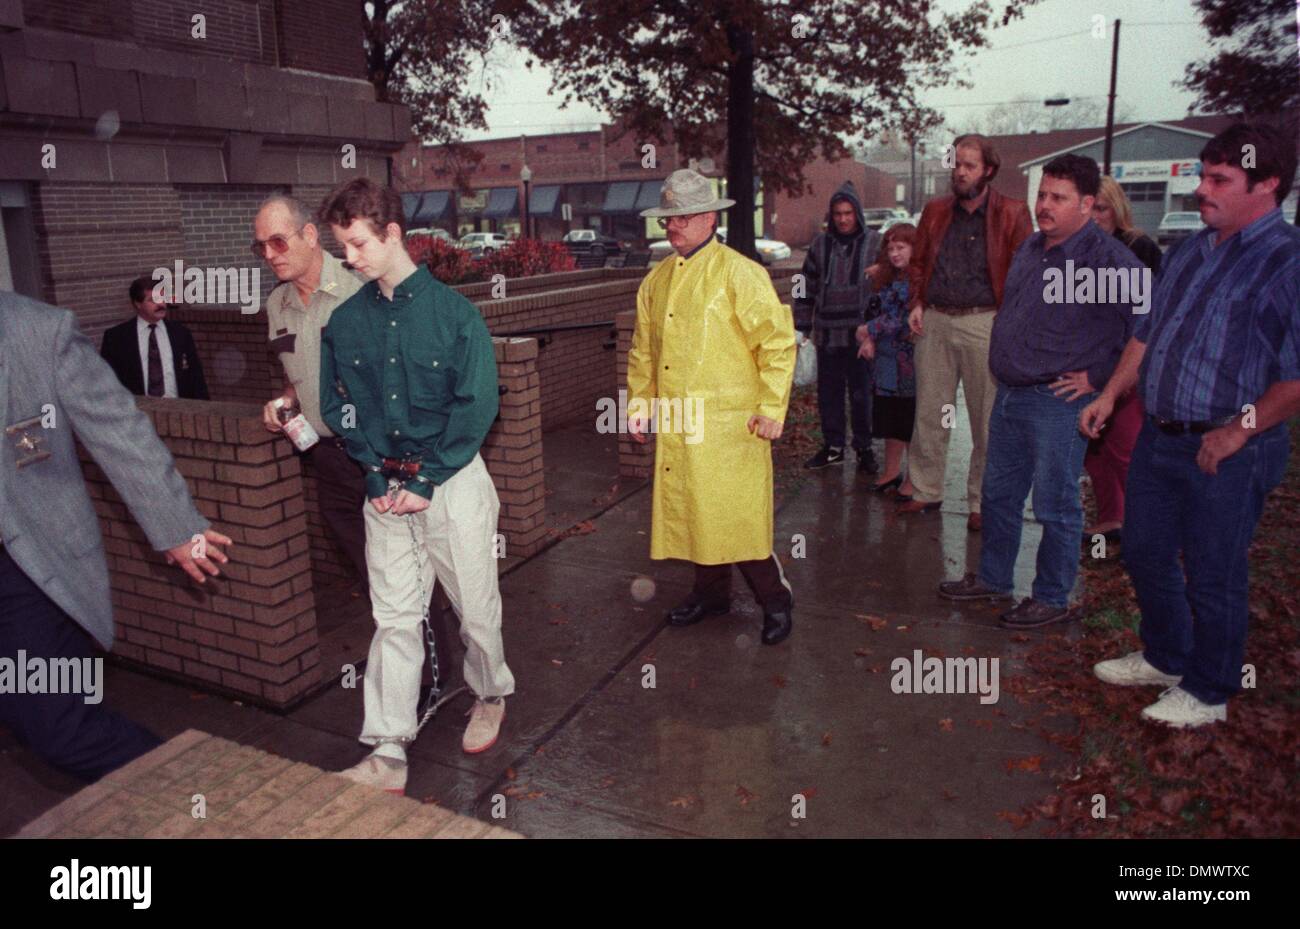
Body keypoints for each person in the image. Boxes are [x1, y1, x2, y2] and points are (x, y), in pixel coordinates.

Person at [1085, 122, 1300, 728]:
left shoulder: (1286, 261)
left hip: (1229, 448)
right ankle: (1167, 656)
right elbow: (1148, 334)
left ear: (1269, 185)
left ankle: (1209, 692)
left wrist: (1239, 431)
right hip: (1160, 435)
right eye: (1203, 176)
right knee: (1146, 552)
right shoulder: (1190, 250)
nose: (1202, 189)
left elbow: (1295, 378)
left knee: (1214, 570)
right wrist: (1111, 395)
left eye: (1219, 180)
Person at [319, 178, 514, 794]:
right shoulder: (345, 323)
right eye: (341, 247)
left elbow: (477, 403)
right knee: (395, 618)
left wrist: (428, 476)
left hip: (452, 483)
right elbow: (338, 405)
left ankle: (489, 692)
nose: (348, 259)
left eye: (356, 245)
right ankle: (387, 745)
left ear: (392, 233)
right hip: (385, 490)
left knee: (475, 611)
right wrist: (373, 472)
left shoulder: (455, 315)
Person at [1, 291, 230, 781]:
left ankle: (197, 800)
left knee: (59, 725)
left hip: (27, 572)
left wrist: (175, 525)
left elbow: (118, 430)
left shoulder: (39, 331)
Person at [937, 154, 1141, 627]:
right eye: (1042, 195)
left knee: (1055, 502)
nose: (1044, 205)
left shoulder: (1107, 260)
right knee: (998, 496)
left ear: (1088, 205)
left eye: (1058, 198)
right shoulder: (1032, 247)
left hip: (1057, 402)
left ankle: (1051, 597)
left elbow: (1148, 330)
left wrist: (1100, 379)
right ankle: (993, 580)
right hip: (1008, 394)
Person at [628, 169, 797, 645]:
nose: (672, 227)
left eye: (681, 218)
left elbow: (777, 345)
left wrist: (770, 407)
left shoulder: (741, 273)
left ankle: (775, 599)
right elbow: (644, 351)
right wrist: (639, 405)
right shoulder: (656, 280)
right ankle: (712, 594)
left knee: (736, 520)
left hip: (732, 427)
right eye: (667, 219)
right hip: (682, 423)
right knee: (694, 513)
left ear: (708, 217)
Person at [899, 134, 1034, 532]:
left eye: (969, 165)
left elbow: (1025, 274)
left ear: (988, 170)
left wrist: (1010, 325)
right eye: (956, 163)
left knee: (987, 418)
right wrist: (917, 303)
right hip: (936, 320)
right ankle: (926, 490)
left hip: (985, 321)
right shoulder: (936, 210)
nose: (959, 171)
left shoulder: (1012, 213)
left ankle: (981, 500)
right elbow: (918, 262)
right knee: (931, 413)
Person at [253, 194, 368, 586]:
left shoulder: (360, 288)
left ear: (309, 235)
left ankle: (438, 643)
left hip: (374, 454)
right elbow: (296, 375)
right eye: (261, 246)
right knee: (366, 570)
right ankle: (403, 645)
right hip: (326, 459)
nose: (269, 254)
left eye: (278, 242)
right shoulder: (276, 305)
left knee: (405, 572)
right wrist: (285, 399)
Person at [1081, 176, 1162, 548]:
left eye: (1101, 208)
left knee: (1126, 447)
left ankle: (1147, 532)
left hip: (1129, 361)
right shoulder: (1075, 249)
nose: (1095, 216)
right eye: (1089, 207)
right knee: (1094, 449)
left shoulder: (1137, 247)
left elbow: (1149, 315)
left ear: (1116, 209)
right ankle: (1111, 518)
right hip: (1089, 361)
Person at [793, 182, 881, 474]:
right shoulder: (820, 245)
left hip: (862, 335)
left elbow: (889, 284)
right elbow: (804, 285)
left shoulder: (875, 244)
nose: (843, 219)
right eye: (837, 213)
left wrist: (879, 326)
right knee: (829, 393)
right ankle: (833, 447)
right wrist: (801, 327)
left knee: (862, 393)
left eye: (848, 213)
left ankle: (864, 448)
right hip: (828, 334)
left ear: (858, 214)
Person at [855, 222, 919, 496]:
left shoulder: (916, 281)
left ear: (914, 248)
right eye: (890, 248)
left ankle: (914, 480)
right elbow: (873, 309)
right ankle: (891, 472)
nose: (895, 253)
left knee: (909, 424)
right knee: (890, 422)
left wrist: (869, 330)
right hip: (885, 366)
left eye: (901, 247)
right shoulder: (886, 278)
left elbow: (903, 319)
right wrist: (868, 337)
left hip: (909, 366)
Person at [99, 276, 209, 400]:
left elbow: (196, 377)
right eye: (153, 300)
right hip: (138, 413)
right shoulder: (116, 338)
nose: (161, 304)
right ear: (138, 304)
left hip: (179, 411)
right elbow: (108, 383)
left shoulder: (181, 334)